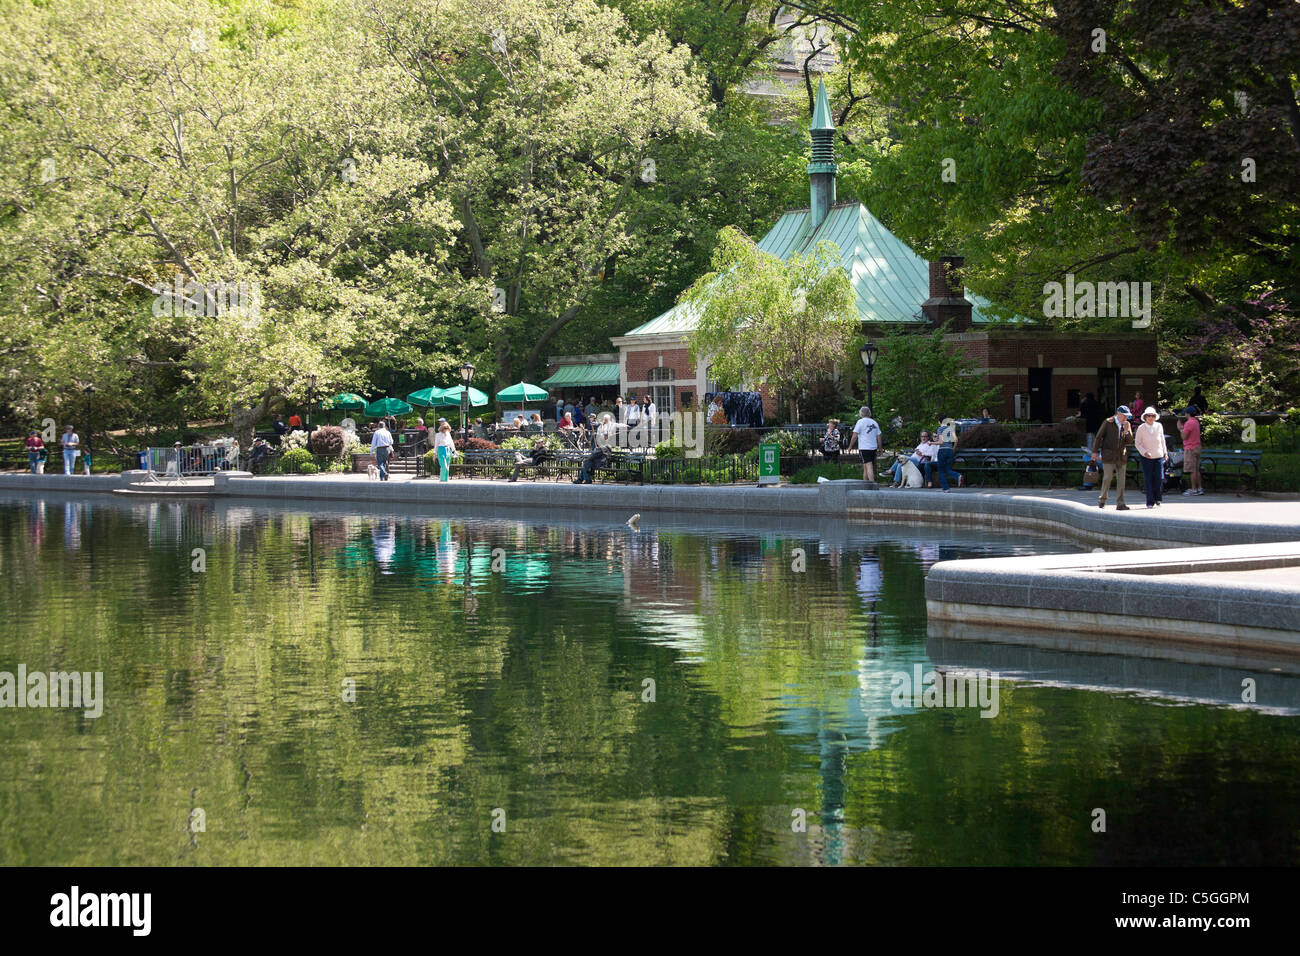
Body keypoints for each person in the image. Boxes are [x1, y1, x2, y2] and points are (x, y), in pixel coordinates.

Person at [1092, 405, 1133, 510]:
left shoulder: (1126, 424)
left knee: (1121, 480)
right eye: (1125, 415)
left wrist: (1127, 430)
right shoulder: (1108, 422)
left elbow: (1129, 441)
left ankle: (1120, 503)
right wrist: (1095, 452)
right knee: (1108, 477)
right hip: (1109, 454)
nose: (1126, 418)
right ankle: (1102, 500)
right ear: (1118, 414)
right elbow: (1098, 437)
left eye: (1127, 416)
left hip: (1121, 455)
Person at [1135, 406, 1171, 508]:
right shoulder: (1141, 428)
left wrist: (1165, 452)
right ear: (1145, 417)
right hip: (1146, 457)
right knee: (1148, 479)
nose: (1151, 418)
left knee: (1159, 478)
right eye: (1149, 416)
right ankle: (1150, 501)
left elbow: (1162, 440)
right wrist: (1145, 452)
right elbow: (1137, 443)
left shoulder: (1159, 426)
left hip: (1158, 456)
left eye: (1152, 416)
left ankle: (1158, 498)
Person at [848, 406, 881, 482]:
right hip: (873, 447)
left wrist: (850, 446)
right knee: (866, 467)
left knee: (869, 466)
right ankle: (865, 484)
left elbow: (854, 436)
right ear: (869, 413)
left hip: (864, 448)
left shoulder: (860, 422)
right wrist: (880, 448)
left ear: (861, 413)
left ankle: (872, 484)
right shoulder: (874, 422)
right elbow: (879, 436)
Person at [931, 418, 963, 491]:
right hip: (950, 451)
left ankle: (946, 488)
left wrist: (931, 443)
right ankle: (958, 475)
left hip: (942, 451)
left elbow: (941, 442)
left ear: (939, 422)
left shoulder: (940, 429)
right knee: (947, 469)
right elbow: (956, 440)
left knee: (941, 471)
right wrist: (953, 449)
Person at [1180, 406, 1203, 496]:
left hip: (1190, 448)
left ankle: (1194, 489)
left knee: (1192, 470)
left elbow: (1184, 436)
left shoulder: (1189, 423)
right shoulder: (1195, 422)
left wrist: (1180, 428)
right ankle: (1199, 488)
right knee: (1197, 469)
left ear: (1188, 414)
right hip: (1197, 447)